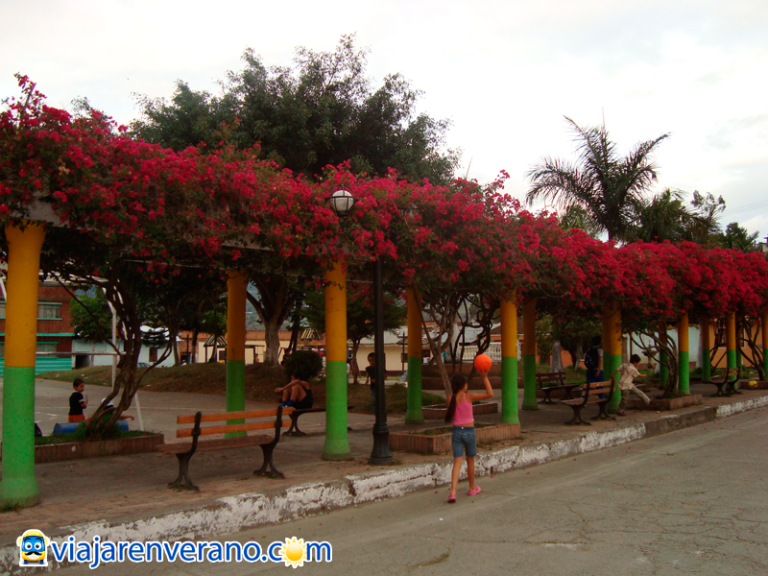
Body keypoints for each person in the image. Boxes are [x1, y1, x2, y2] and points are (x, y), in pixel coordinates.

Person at [444, 369, 493, 503]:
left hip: (456, 432)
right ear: (463, 386)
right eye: (466, 384)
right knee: (470, 461)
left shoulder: (450, 399)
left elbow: (450, 405)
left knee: (457, 462)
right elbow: (490, 393)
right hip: (469, 431)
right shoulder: (469, 397)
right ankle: (472, 488)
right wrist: (484, 377)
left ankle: (453, 492)